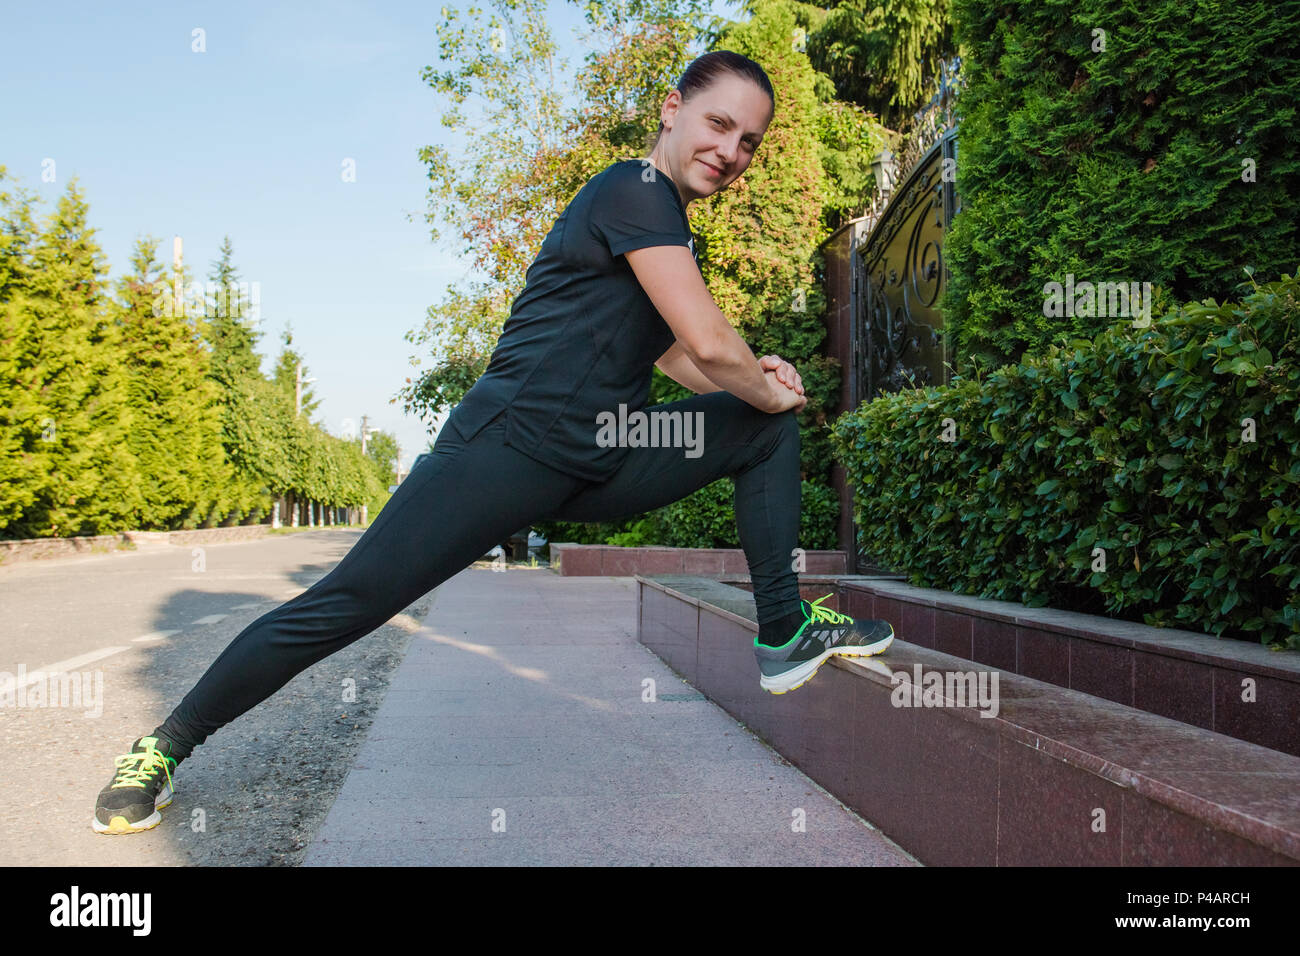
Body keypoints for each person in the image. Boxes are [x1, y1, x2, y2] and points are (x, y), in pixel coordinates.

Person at [91, 50, 894, 835]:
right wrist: (758, 376)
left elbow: (679, 354)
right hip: (502, 454)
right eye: (720, 124)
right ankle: (162, 748)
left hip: (602, 455)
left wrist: (760, 387)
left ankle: (783, 631)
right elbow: (712, 346)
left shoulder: (665, 223)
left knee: (762, 426)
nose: (731, 151)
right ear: (671, 109)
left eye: (749, 140)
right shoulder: (634, 189)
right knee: (344, 606)